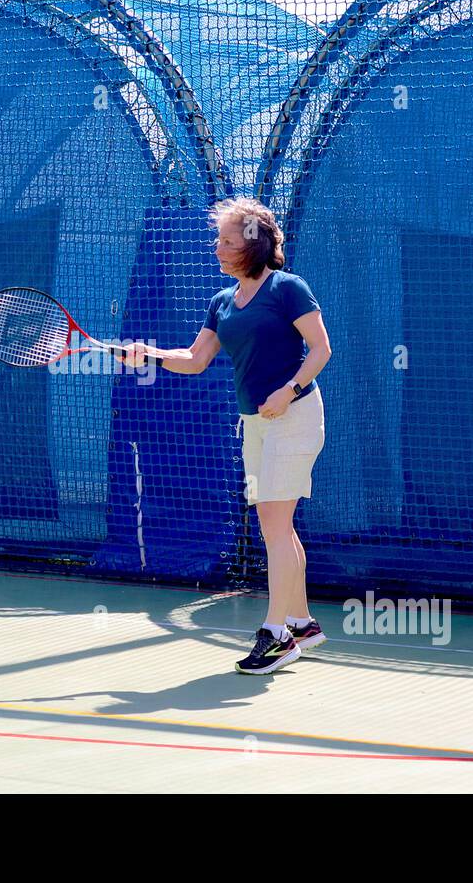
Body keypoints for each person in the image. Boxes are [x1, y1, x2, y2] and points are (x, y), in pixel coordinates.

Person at [122, 197, 331, 674]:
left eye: (227, 241)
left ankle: (276, 635)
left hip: (294, 417)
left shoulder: (288, 289)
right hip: (256, 424)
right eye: (218, 239)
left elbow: (321, 349)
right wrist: (148, 353)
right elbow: (195, 360)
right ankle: (301, 621)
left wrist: (288, 390)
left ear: (252, 245)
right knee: (279, 527)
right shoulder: (221, 301)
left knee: (274, 528)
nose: (217, 247)